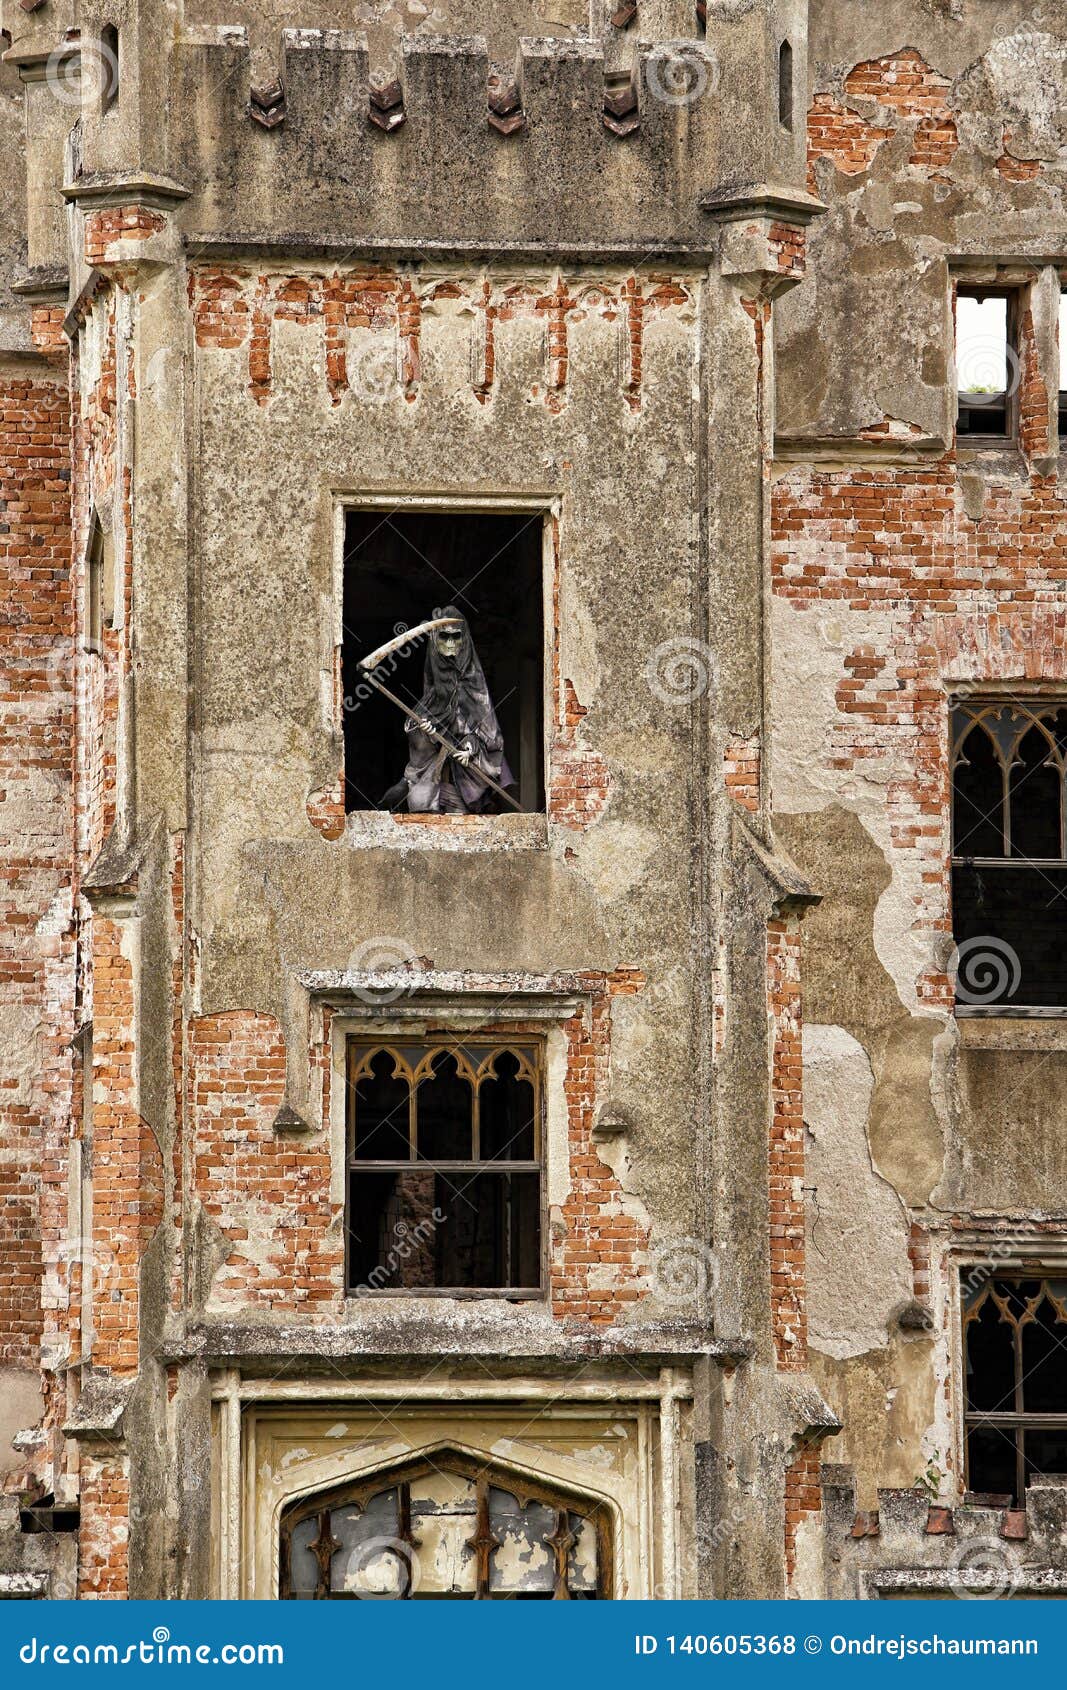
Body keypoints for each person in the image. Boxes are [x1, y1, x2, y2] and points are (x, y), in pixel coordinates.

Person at [380, 608, 516, 813]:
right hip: (432, 781)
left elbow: (488, 732)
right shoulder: (434, 690)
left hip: (463, 783)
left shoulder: (473, 685)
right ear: (435, 639)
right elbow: (421, 737)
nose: (450, 643)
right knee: (419, 802)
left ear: (464, 639)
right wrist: (425, 728)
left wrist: (471, 748)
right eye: (444, 637)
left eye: (456, 637)